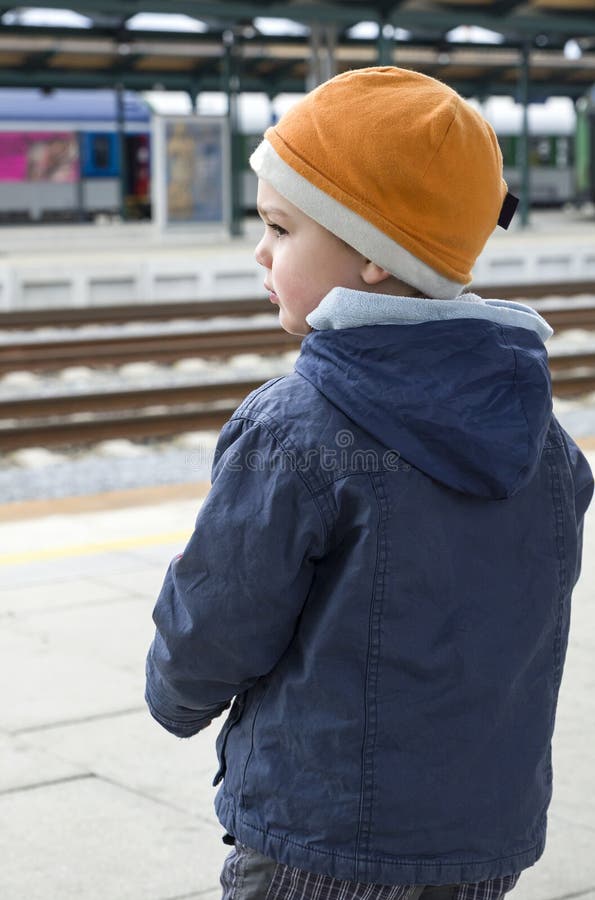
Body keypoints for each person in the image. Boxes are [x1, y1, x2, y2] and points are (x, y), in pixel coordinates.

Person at [145, 67, 593, 900]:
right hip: (480, 840)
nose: (260, 250)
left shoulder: (293, 429)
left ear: (374, 259)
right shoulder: (545, 442)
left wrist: (172, 694)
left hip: (317, 840)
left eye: (280, 227)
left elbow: (219, 614)